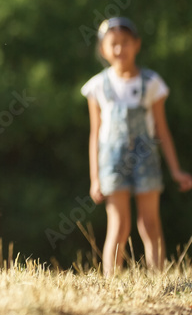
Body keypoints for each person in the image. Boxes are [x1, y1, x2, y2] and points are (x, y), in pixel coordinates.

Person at [82, 16, 192, 276]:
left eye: (126, 43)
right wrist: (95, 177)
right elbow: (95, 134)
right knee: (119, 226)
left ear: (137, 44)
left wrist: (175, 170)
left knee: (150, 224)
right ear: (103, 49)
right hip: (113, 162)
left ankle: (157, 281)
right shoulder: (98, 86)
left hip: (146, 160)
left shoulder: (151, 83)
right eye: (114, 44)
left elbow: (162, 130)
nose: (120, 49)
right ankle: (112, 283)